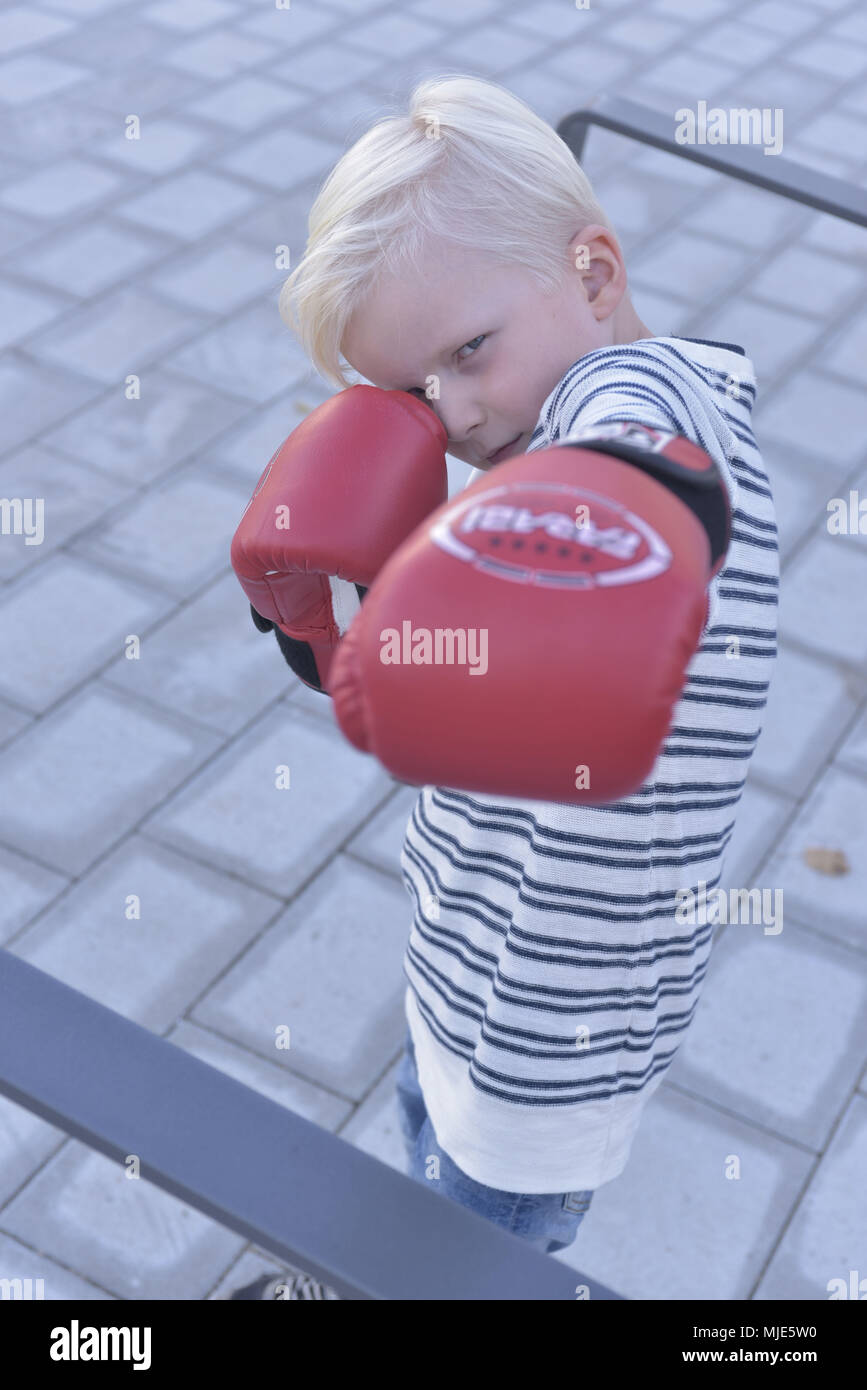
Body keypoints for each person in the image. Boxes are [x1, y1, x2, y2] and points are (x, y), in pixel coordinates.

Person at [231, 73, 779, 1300]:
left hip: (548, 1041)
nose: (458, 414)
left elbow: (647, 470)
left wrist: (629, 512)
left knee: (467, 1249)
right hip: (473, 945)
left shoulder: (630, 416)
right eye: (415, 389)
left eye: (470, 351)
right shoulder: (554, 411)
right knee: (420, 1150)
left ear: (594, 273)